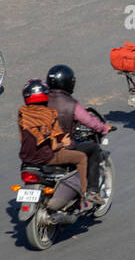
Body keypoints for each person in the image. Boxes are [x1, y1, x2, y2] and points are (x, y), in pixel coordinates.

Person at [17, 79, 94, 211]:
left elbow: (21, 138)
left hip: (26, 159)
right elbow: (54, 145)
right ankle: (83, 196)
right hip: (47, 158)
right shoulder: (49, 114)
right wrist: (63, 143)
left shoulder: (22, 112)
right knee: (81, 158)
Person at [45, 64, 113, 203]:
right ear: (68, 83)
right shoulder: (71, 104)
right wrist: (104, 128)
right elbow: (90, 121)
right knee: (93, 149)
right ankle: (92, 191)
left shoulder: (41, 100)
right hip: (62, 149)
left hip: (41, 148)